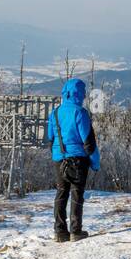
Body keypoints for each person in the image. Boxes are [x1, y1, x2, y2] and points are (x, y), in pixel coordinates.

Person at [47, 78, 101, 242]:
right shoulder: (80, 112)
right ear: (79, 94)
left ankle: (59, 231)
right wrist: (95, 163)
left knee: (61, 192)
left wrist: (57, 154)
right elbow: (88, 142)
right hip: (78, 158)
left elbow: (50, 138)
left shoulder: (55, 113)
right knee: (77, 193)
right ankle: (75, 231)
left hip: (59, 158)